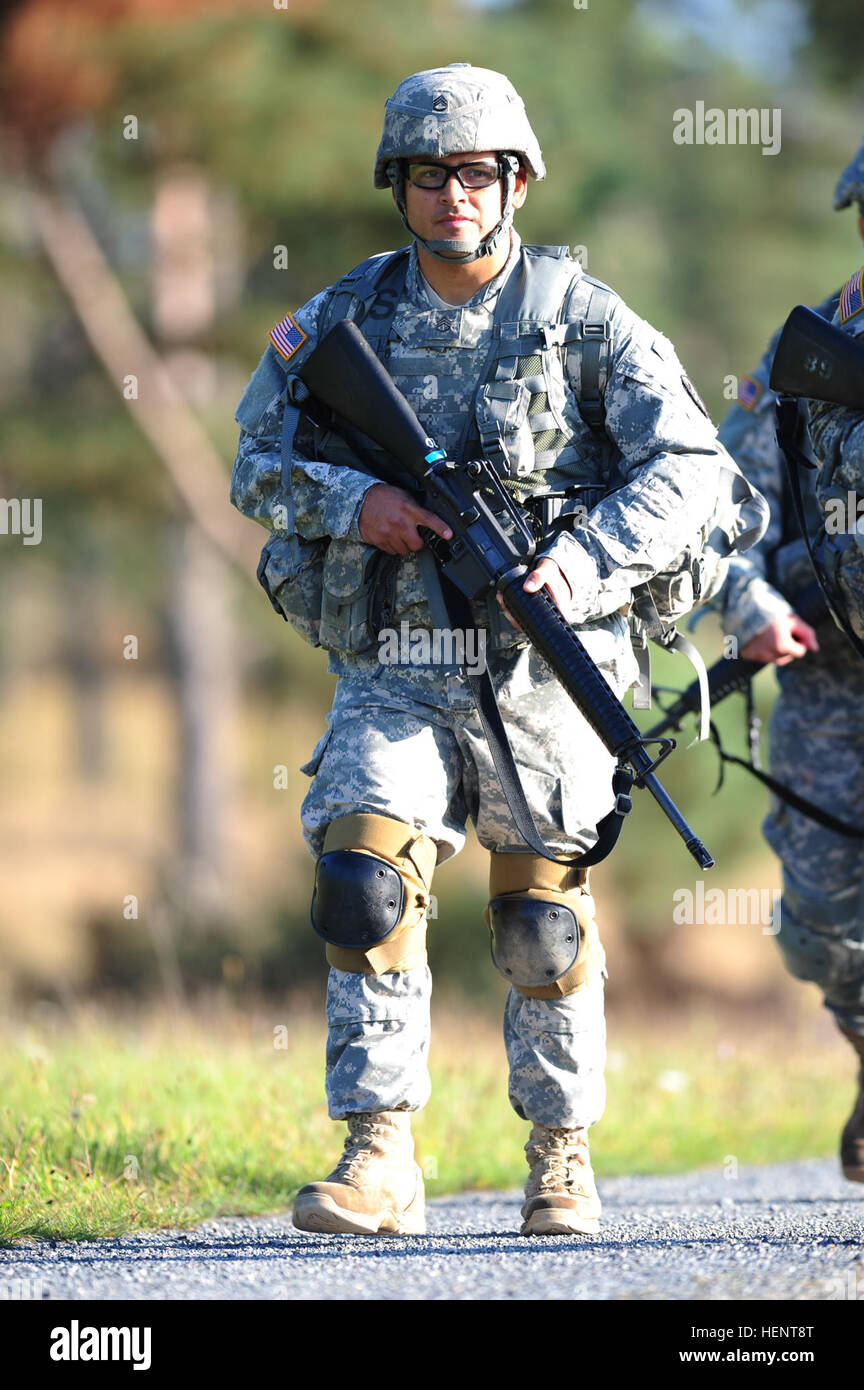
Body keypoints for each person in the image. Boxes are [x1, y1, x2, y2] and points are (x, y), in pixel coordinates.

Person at [231, 63, 763, 1237]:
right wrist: (348, 500)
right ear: (400, 187)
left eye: (476, 173)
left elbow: (691, 471)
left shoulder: (585, 321)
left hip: (544, 665)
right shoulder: (342, 322)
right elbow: (254, 464)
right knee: (362, 884)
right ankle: (378, 1153)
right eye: (430, 174)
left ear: (515, 182)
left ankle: (560, 1154)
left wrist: (580, 563)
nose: (453, 195)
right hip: (397, 657)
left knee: (540, 923)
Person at [711, 135, 864, 1184]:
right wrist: (754, 598)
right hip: (828, 678)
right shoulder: (811, 349)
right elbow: (724, 504)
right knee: (817, 924)